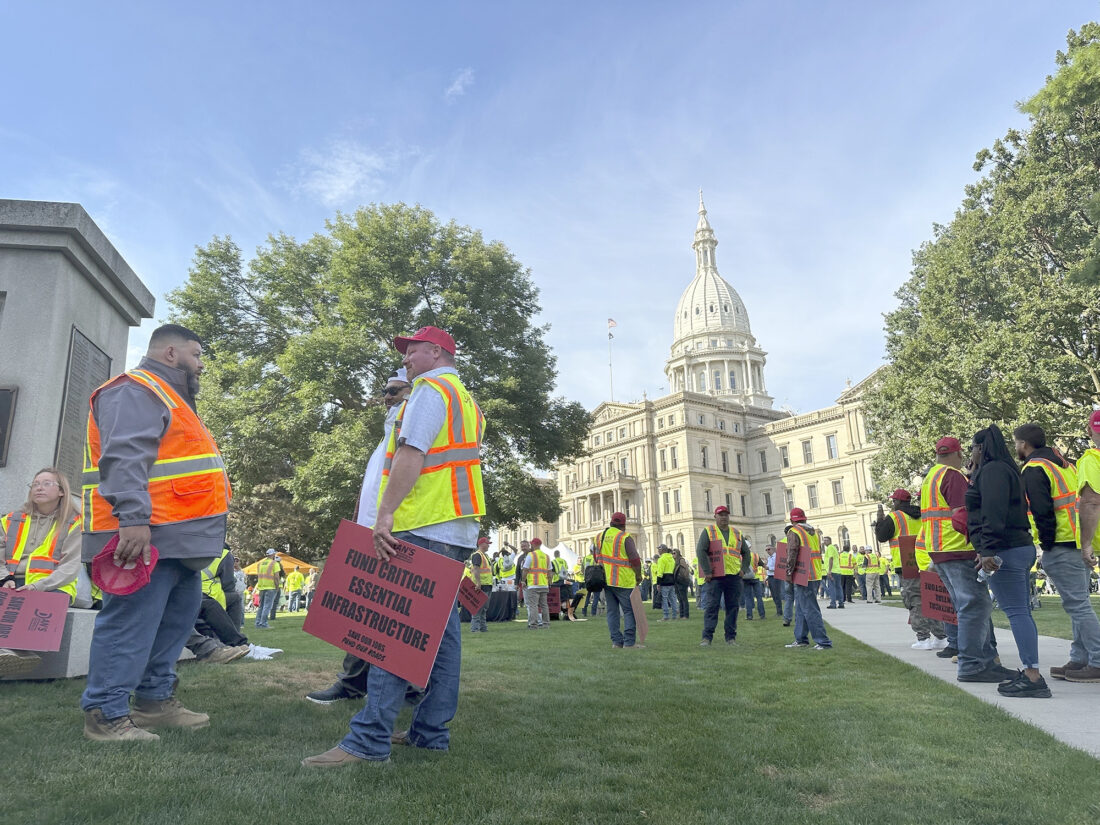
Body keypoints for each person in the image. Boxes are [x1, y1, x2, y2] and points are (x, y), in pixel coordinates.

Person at [303, 324, 485, 766]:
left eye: (413, 351)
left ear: (437, 353)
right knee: (443, 639)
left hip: (422, 524)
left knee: (391, 632)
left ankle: (368, 742)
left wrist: (383, 515)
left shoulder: (429, 391)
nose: (406, 359)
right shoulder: (467, 400)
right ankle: (429, 734)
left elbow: (411, 453)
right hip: (455, 527)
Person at [80, 324, 230, 742]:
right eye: (196, 355)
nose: (200, 364)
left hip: (176, 535)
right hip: (145, 533)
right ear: (170, 353)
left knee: (174, 622)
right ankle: (106, 716)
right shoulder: (135, 389)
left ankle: (153, 701)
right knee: (130, 625)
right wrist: (133, 519)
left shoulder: (166, 395)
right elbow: (124, 456)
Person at [306, 368, 411, 704]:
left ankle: (408, 686)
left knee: (396, 617)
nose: (387, 398)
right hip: (371, 532)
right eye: (385, 391)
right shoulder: (387, 438)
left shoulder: (411, 430)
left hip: (395, 535)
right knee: (362, 612)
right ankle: (354, 683)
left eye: (394, 391)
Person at [967, 424, 1049, 697]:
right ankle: (1030, 672)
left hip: (1005, 549)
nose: (971, 454)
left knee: (1017, 612)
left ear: (981, 448)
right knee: (1020, 611)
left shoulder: (992, 472)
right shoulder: (1005, 469)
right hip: (1015, 547)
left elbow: (992, 511)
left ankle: (1033, 676)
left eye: (973, 449)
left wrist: (987, 549)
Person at [1017, 421, 1100, 684]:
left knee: (1078, 606)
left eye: (1016, 442)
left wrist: (1047, 543)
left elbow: (1042, 510)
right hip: (1077, 539)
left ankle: (1097, 659)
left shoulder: (1034, 468)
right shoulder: (1065, 464)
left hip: (1062, 543)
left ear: (1023, 444)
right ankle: (1080, 659)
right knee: (1080, 604)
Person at [920, 436, 1004, 682]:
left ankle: (988, 660)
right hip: (957, 548)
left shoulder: (930, 478)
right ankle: (973, 664)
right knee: (975, 606)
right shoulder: (952, 476)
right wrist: (981, 546)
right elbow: (961, 516)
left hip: (939, 550)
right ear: (957, 454)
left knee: (967, 605)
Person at [0, 467, 82, 676]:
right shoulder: (11, 519)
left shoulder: (75, 522)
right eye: (35, 484)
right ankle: (16, 653)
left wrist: (38, 586)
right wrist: (5, 578)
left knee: (39, 609)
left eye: (46, 484)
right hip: (10, 581)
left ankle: (16, 651)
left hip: (51, 585)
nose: (39, 488)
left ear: (62, 491)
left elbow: (71, 566)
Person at [875, 489, 945, 649]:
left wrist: (880, 520)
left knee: (915, 599)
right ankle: (941, 636)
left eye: (894, 501)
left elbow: (881, 536)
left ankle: (923, 638)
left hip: (905, 563)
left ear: (897, 502)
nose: (893, 504)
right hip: (927, 561)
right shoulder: (922, 513)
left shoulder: (895, 517)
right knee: (932, 598)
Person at [696, 505, 748, 646]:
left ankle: (730, 638)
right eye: (721, 515)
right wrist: (707, 571)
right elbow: (701, 551)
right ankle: (707, 637)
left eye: (726, 514)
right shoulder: (709, 531)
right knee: (712, 607)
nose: (724, 517)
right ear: (715, 517)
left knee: (732, 608)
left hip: (734, 576)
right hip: (715, 576)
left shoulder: (736, 533)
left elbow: (746, 552)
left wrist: (744, 569)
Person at [783, 508, 831, 649]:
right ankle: (801, 639)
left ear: (792, 520)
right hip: (815, 573)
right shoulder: (813, 532)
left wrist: (788, 572)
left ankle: (823, 642)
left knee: (810, 609)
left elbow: (792, 553)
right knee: (801, 608)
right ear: (805, 518)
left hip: (803, 575)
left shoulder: (794, 531)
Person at [595, 512, 641, 649]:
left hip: (606, 580)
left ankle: (616, 642)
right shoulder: (624, 537)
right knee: (629, 611)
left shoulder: (600, 536)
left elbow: (597, 556)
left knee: (612, 611)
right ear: (624, 524)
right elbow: (635, 559)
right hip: (623, 580)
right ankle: (629, 642)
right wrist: (638, 576)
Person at [522, 538, 551, 629]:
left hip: (533, 585)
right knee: (544, 605)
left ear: (534, 545)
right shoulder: (546, 556)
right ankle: (546, 624)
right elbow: (550, 572)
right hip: (544, 584)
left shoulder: (531, 555)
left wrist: (523, 581)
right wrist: (549, 582)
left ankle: (533, 624)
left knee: (533, 605)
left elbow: (525, 569)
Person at [469, 536, 494, 633]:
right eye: (487, 544)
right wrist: (478, 583)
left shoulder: (485, 556)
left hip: (487, 584)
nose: (488, 546)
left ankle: (483, 628)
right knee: (478, 608)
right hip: (481, 585)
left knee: (484, 609)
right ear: (482, 544)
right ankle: (475, 629)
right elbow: (476, 569)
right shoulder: (477, 555)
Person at [254, 549, 283, 628]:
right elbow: (276, 577)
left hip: (262, 587)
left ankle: (257, 623)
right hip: (271, 587)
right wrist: (277, 586)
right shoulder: (274, 563)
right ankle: (263, 623)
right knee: (267, 606)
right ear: (273, 554)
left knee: (261, 606)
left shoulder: (260, 564)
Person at [654, 544, 679, 621]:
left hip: (664, 581)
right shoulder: (671, 558)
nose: (658, 550)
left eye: (659, 549)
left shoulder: (661, 559)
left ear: (663, 550)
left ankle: (666, 616)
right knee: (673, 599)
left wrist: (658, 583)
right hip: (672, 580)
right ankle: (674, 616)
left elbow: (660, 572)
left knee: (664, 599)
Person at [741, 546, 766, 619]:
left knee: (748, 597)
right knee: (759, 597)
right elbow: (763, 565)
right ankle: (762, 615)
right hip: (756, 577)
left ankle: (749, 615)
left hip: (746, 578)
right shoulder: (755, 555)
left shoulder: (740, 557)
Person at [494, 544, 518, 620]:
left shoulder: (500, 560)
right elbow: (515, 550)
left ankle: (505, 614)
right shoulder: (511, 558)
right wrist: (508, 545)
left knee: (505, 599)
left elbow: (495, 557)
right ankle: (513, 614)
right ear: (508, 554)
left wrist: (501, 550)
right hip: (512, 580)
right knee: (513, 598)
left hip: (504, 581)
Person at [822, 536, 843, 609]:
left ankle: (833, 603)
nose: (824, 542)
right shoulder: (834, 548)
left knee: (832, 588)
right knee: (838, 587)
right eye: (824, 540)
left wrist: (829, 571)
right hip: (837, 571)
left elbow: (831, 558)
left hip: (832, 571)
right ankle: (841, 603)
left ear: (830, 541)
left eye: (826, 540)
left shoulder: (830, 548)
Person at [765, 544, 783, 617]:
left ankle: (779, 611)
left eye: (768, 549)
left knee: (776, 594)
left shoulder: (776, 557)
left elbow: (777, 567)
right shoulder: (769, 558)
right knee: (773, 594)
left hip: (775, 576)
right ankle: (778, 610)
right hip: (770, 577)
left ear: (773, 549)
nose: (767, 551)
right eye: (766, 550)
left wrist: (768, 568)